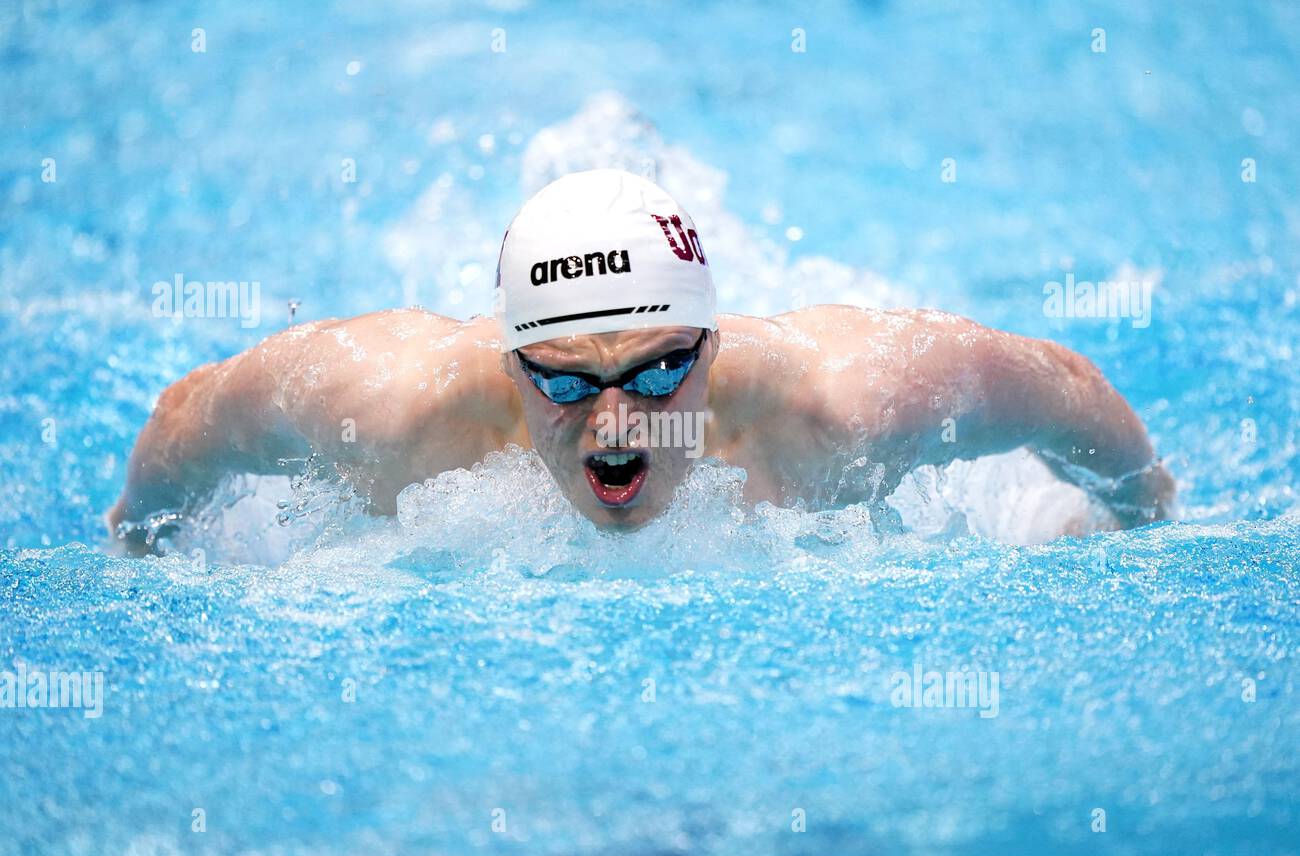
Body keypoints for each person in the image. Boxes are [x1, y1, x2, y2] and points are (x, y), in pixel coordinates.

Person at [108, 169, 1173, 551]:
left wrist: (1142, 520)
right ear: (509, 359)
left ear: (713, 344)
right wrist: (140, 551)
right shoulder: (389, 414)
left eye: (659, 371)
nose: (616, 423)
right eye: (568, 380)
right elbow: (188, 417)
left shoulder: (843, 404)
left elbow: (1063, 389)